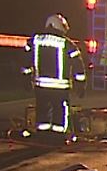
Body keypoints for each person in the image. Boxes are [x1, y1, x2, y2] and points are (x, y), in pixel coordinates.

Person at [23, 13, 85, 142]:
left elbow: (25, 61)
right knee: (60, 111)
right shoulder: (67, 44)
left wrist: (25, 78)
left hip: (41, 86)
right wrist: (80, 85)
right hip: (60, 88)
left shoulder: (35, 40)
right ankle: (58, 137)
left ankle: (42, 135)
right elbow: (78, 66)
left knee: (42, 110)